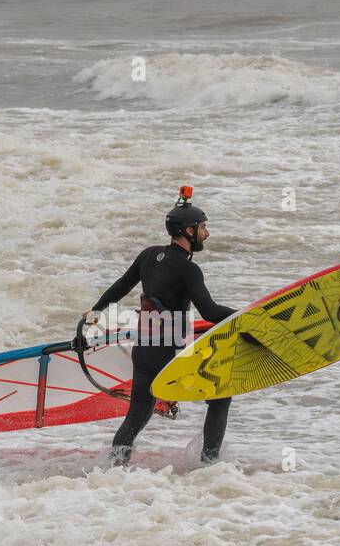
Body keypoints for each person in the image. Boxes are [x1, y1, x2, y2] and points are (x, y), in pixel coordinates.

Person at [83, 187, 236, 466]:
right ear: (188, 231)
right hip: (173, 356)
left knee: (136, 415)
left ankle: (114, 469)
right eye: (203, 227)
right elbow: (211, 311)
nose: (207, 233)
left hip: (145, 350)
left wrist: (93, 314)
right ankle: (209, 465)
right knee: (221, 399)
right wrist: (249, 315)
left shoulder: (149, 256)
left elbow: (118, 289)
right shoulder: (189, 270)